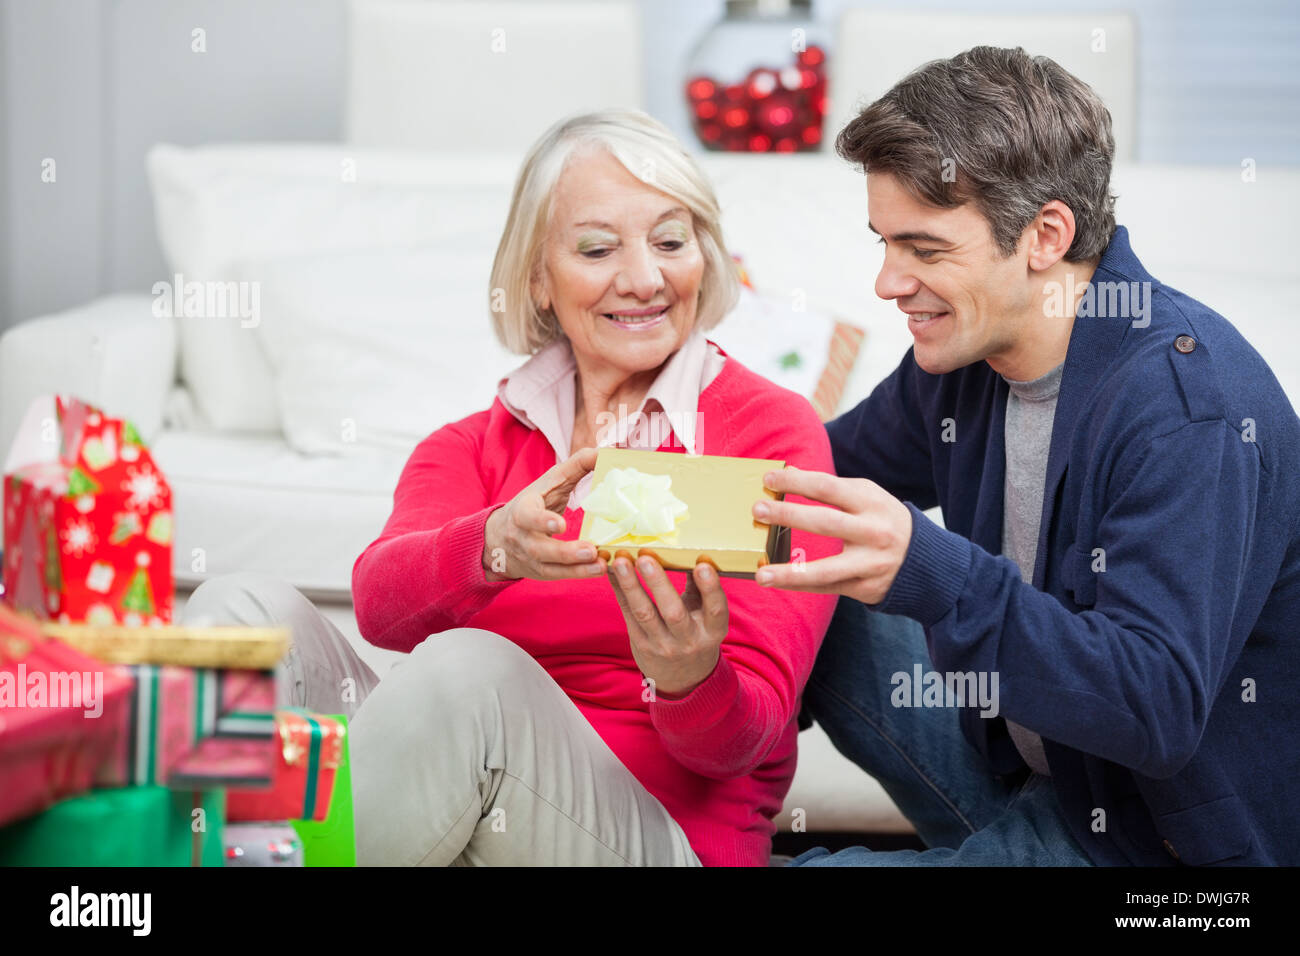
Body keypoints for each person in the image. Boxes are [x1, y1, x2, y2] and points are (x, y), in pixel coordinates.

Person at [181, 108, 839, 866]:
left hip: (655, 840)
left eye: (670, 240)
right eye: (597, 248)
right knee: (241, 613)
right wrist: (491, 547)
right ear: (537, 279)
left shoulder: (772, 434)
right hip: (458, 816)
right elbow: (380, 606)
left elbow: (743, 741)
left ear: (705, 255)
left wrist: (688, 676)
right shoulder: (472, 444)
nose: (645, 278)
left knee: (473, 673)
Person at [750, 46, 1300, 866]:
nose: (887, 282)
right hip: (1025, 772)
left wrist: (935, 571)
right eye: (883, 243)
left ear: (1046, 235)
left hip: (1156, 846)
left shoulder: (1187, 412)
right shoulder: (962, 359)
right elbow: (809, 474)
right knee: (807, 544)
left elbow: (1156, 709)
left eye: (925, 250)